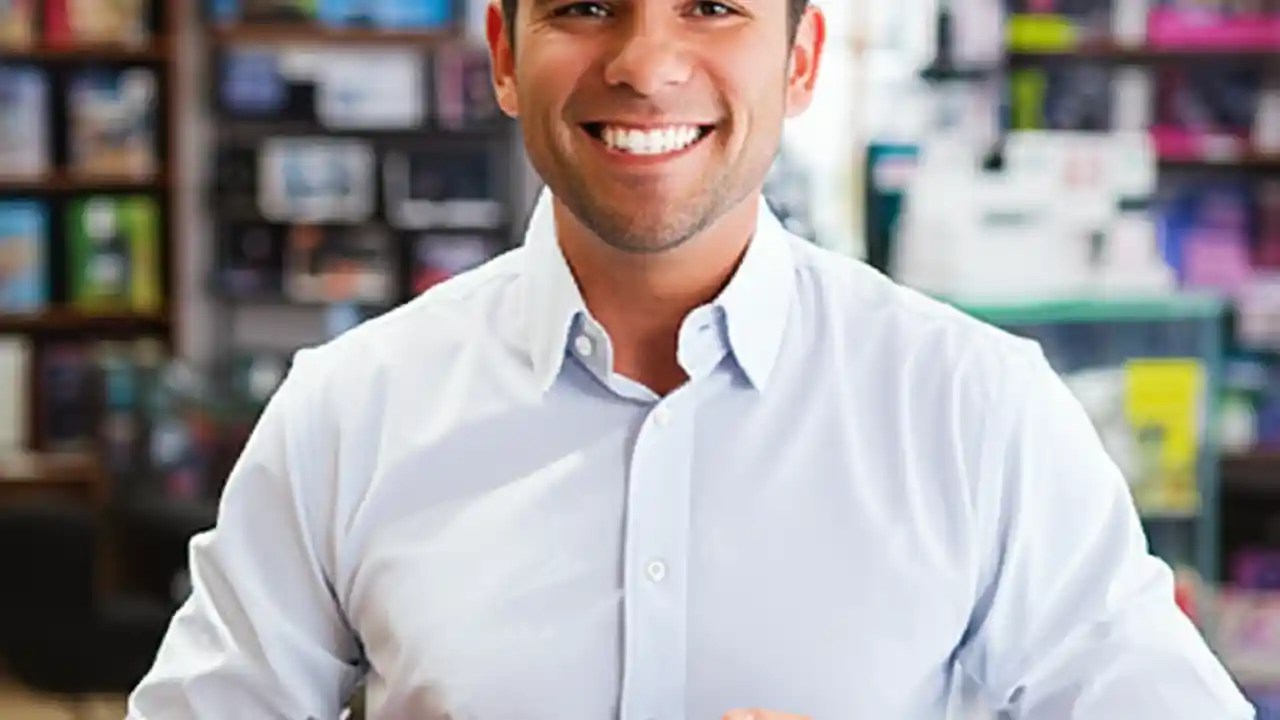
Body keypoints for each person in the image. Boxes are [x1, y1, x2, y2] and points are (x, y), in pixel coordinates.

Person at [128, 0, 1255, 718]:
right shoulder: (348, 412)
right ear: (504, 55)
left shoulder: (972, 409)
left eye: (712, 6)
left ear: (801, 59)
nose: (646, 63)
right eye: (583, 6)